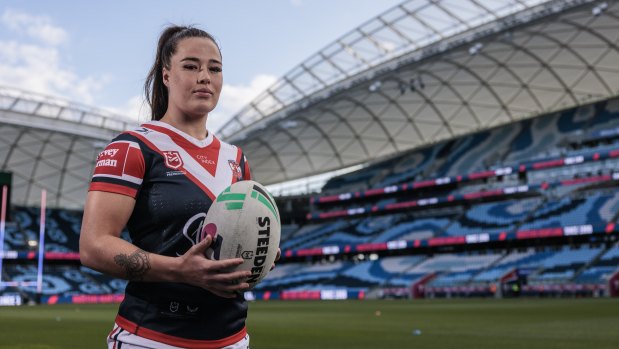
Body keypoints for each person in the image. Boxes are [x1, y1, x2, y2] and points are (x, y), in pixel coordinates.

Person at [80, 25, 264, 349]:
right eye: (191, 66)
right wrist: (180, 270)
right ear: (166, 76)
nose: (205, 76)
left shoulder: (237, 159)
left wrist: (260, 250)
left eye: (214, 68)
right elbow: (93, 246)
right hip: (151, 339)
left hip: (233, 339)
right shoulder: (132, 147)